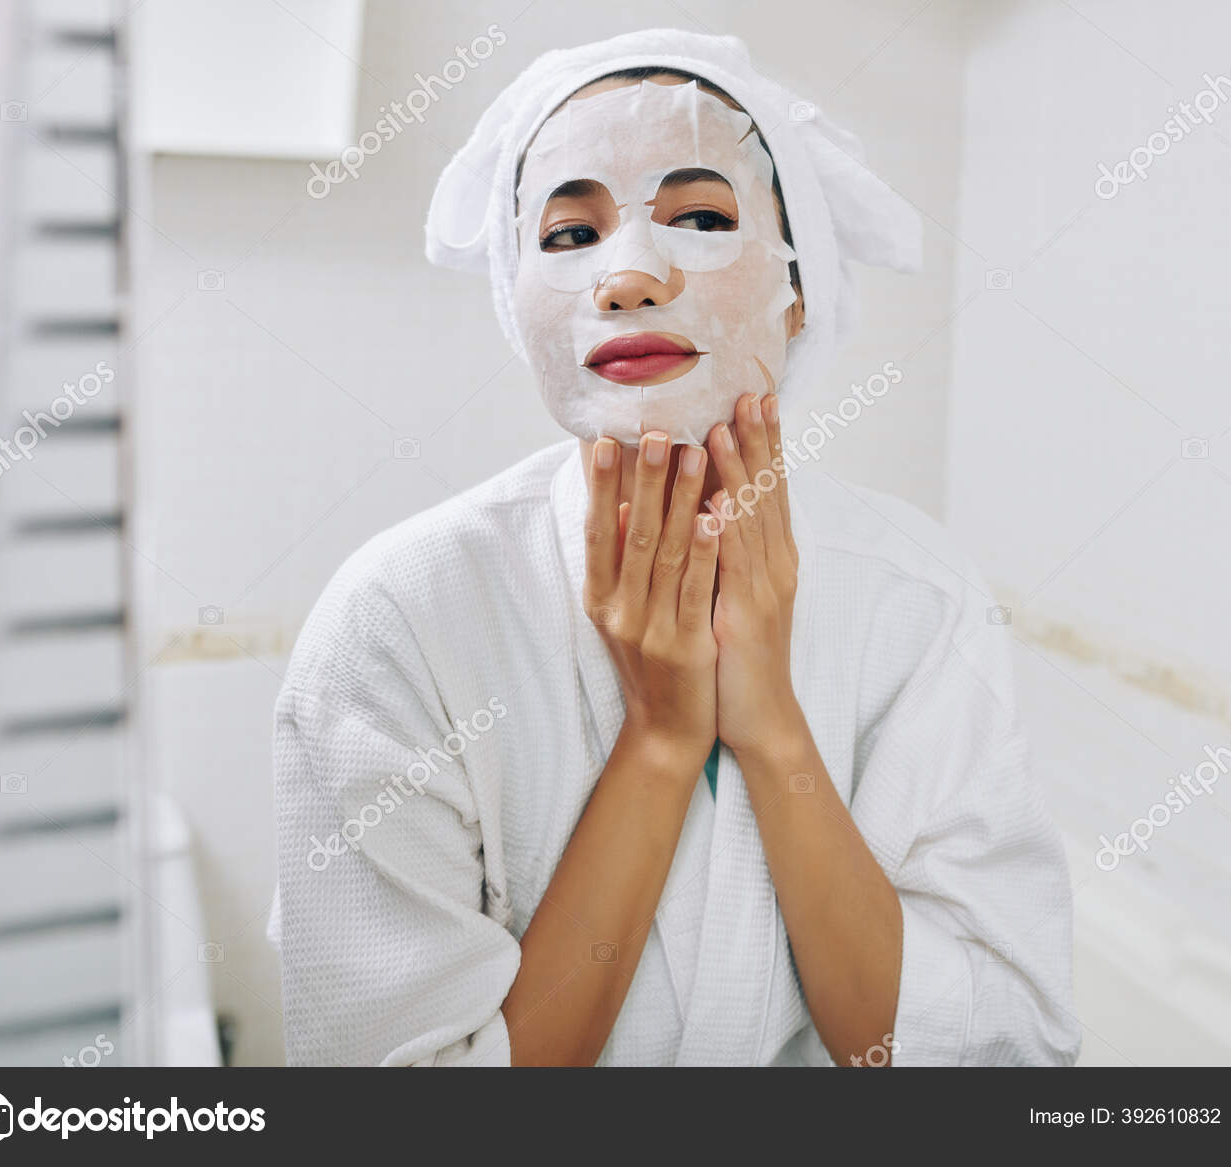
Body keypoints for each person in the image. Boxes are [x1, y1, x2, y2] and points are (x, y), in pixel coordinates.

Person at [271, 28, 1079, 1067]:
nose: (629, 277)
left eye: (700, 217)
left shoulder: (920, 602)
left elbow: (996, 1059)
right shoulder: (404, 617)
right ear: (517, 307)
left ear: (801, 291)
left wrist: (774, 727)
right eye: (568, 235)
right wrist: (657, 741)